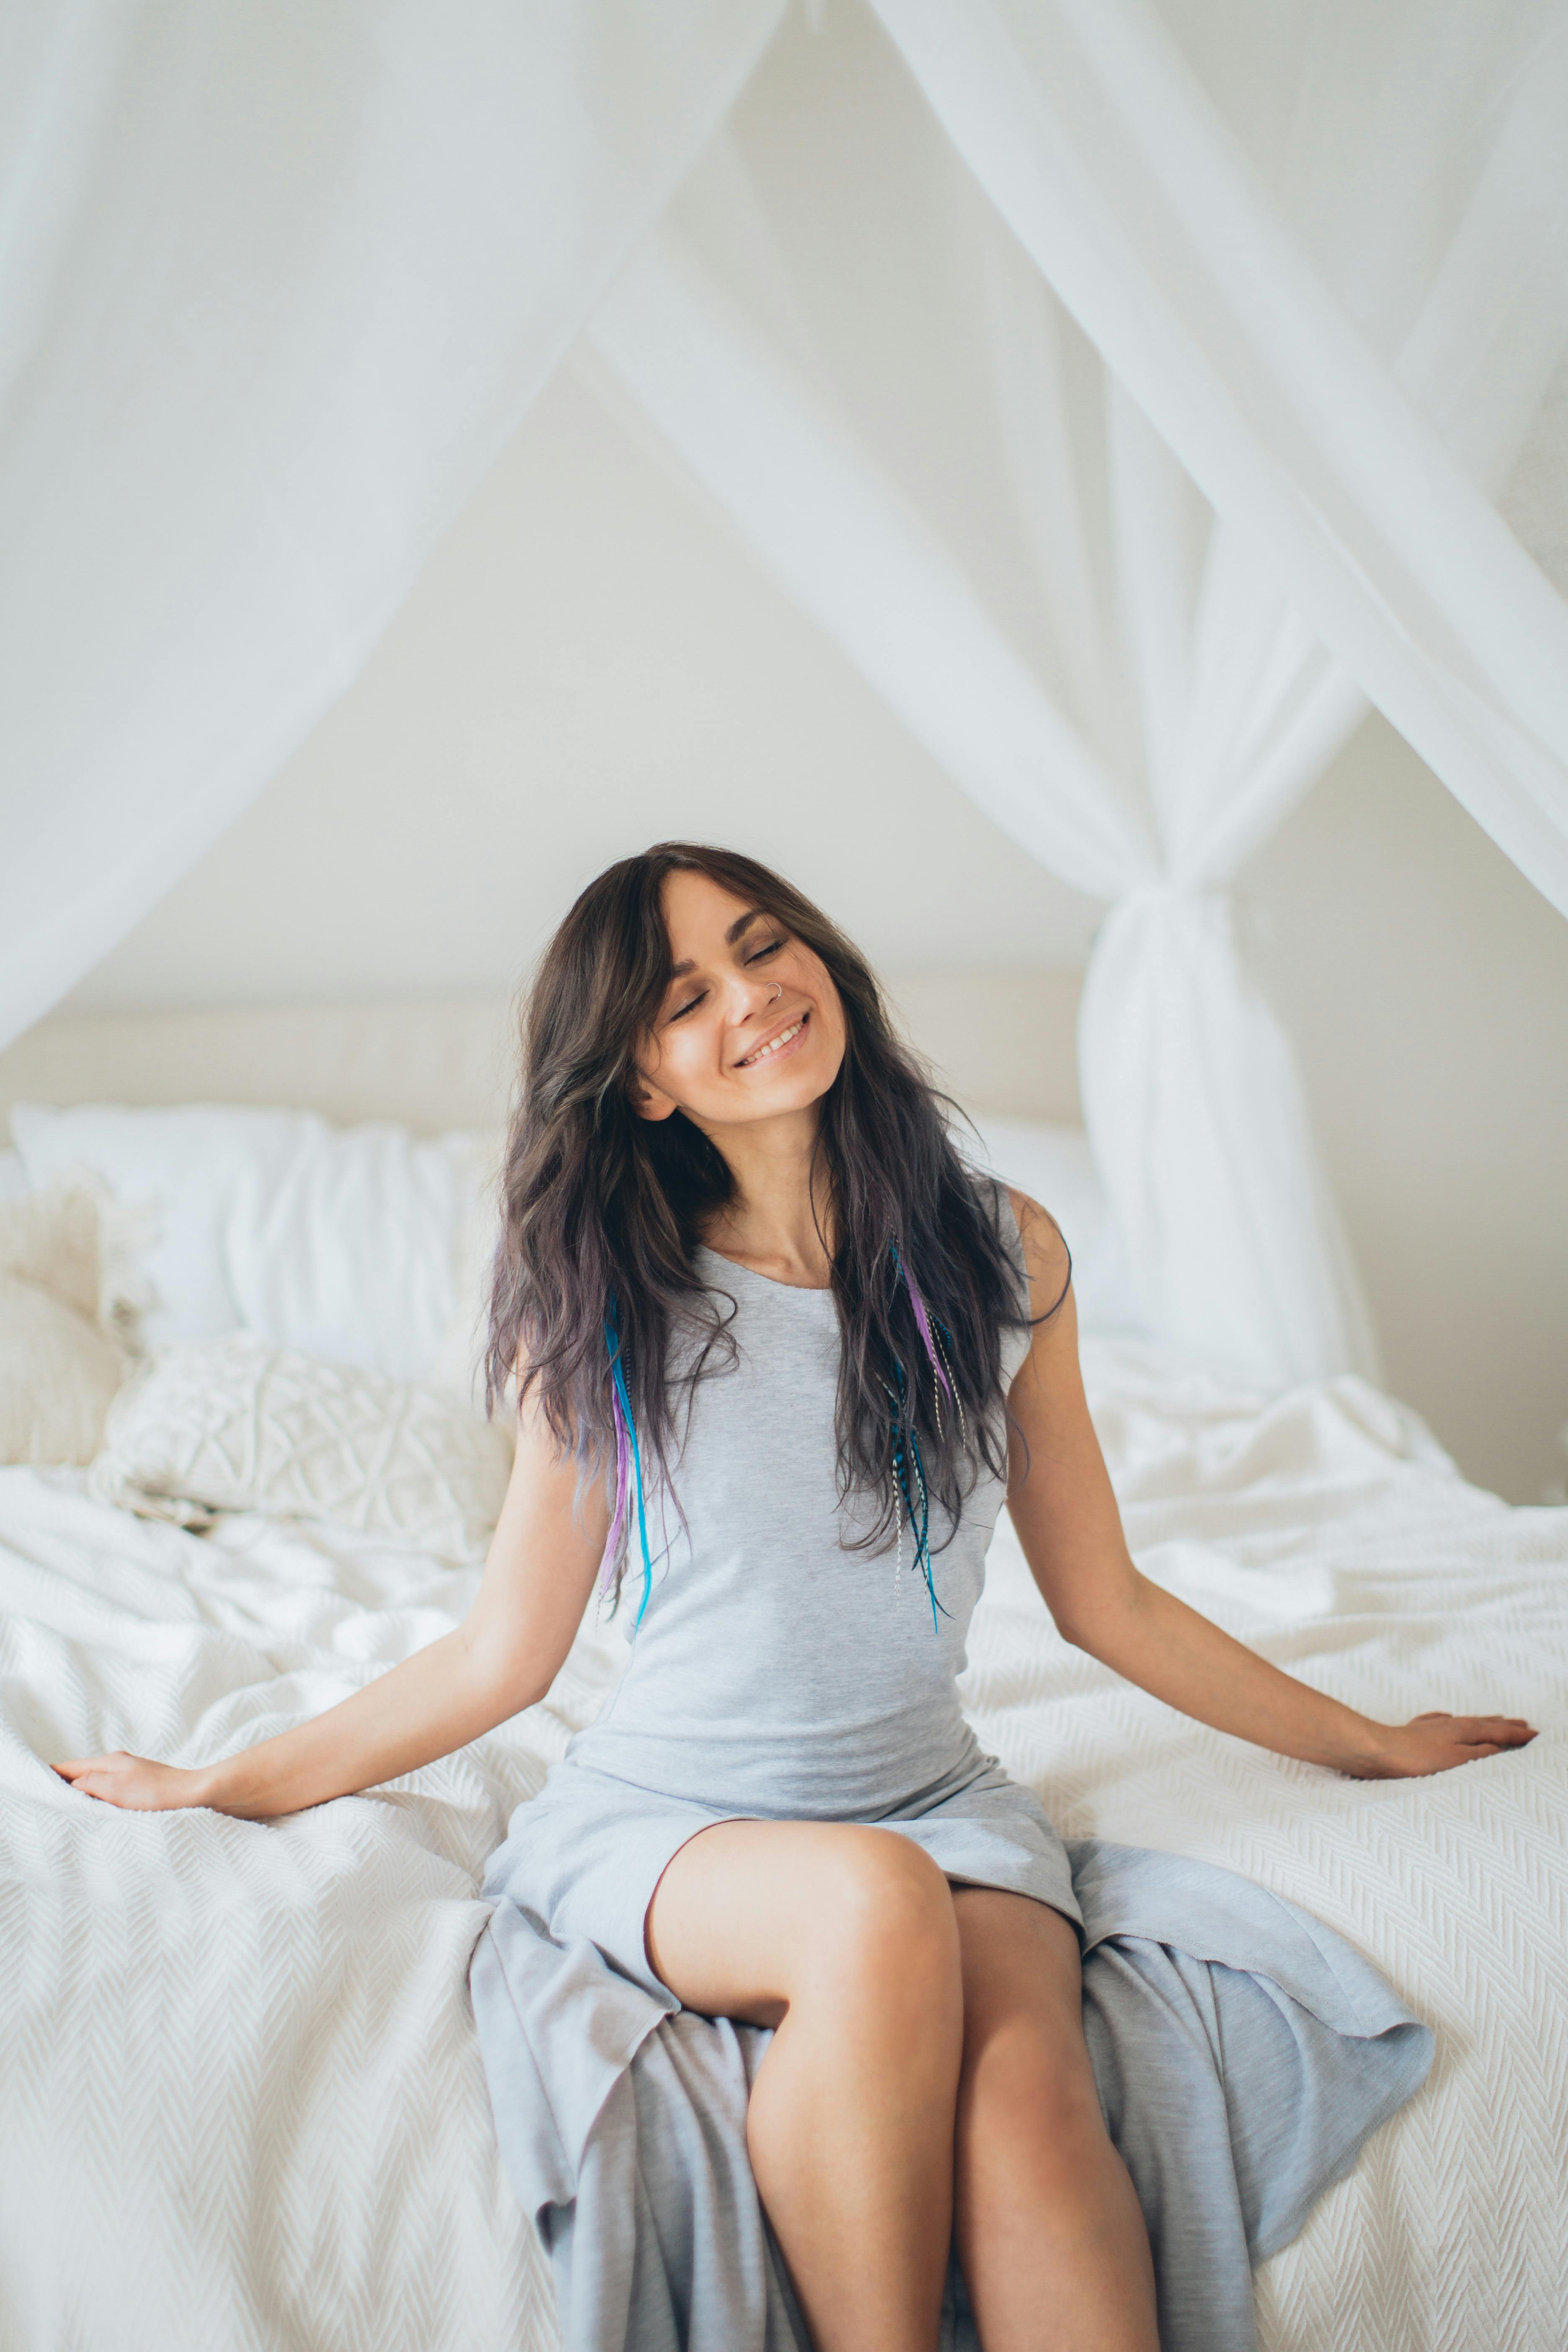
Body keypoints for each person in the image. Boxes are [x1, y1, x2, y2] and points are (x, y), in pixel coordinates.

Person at [56, 842, 1537, 2352]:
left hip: (939, 1803)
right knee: (873, 1906)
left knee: (1032, 2104)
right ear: (641, 1081)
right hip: (677, 1820)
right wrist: (222, 1781)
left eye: (766, 948)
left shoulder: (1004, 1251)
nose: (755, 996)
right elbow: (503, 1655)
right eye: (688, 995)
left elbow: (1109, 1604)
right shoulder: (612, 1302)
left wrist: (1370, 1743)